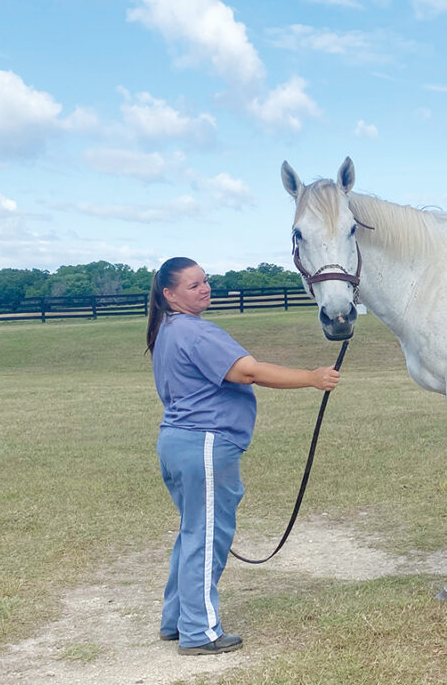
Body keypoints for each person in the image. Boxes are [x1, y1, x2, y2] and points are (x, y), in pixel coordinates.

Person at [146, 257, 340, 655]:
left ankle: (176, 620)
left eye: (205, 281)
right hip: (204, 444)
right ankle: (199, 632)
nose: (204, 288)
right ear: (169, 294)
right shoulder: (197, 333)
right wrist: (312, 378)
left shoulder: (167, 330)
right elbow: (248, 372)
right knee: (205, 537)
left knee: (192, 532)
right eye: (192, 285)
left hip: (178, 442)